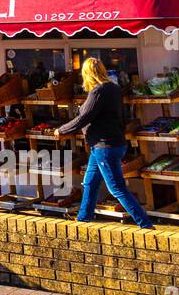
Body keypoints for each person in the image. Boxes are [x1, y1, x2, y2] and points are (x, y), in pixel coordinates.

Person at [56, 57, 153, 230]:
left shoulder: (98, 92)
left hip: (104, 146)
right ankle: (83, 219)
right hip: (108, 144)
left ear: (87, 74)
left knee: (116, 188)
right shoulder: (114, 89)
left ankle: (145, 225)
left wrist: (62, 130)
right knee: (90, 182)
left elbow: (84, 117)